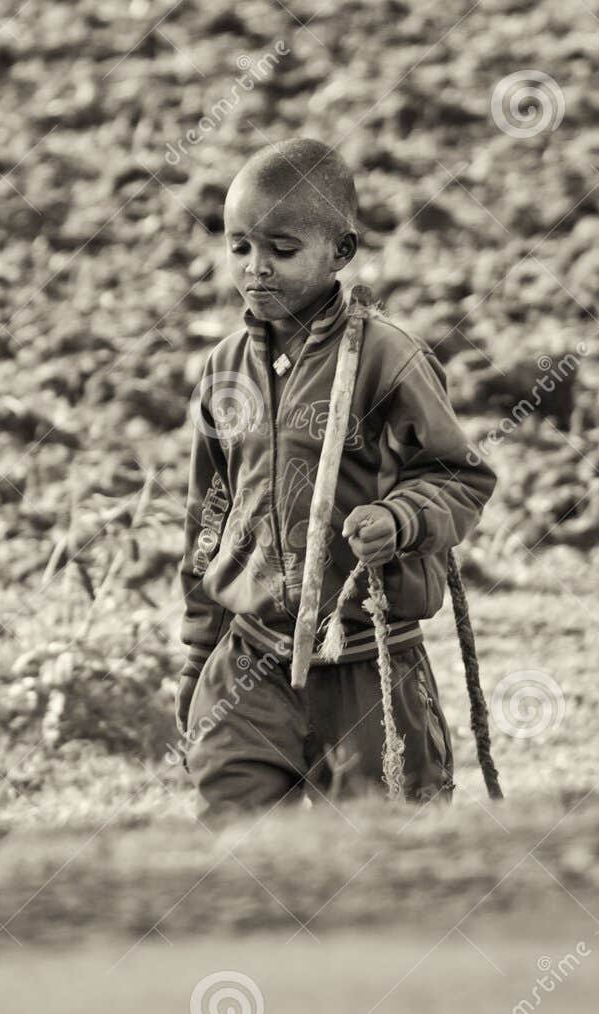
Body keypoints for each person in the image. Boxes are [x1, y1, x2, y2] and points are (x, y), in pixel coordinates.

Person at [176, 137, 497, 825]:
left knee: (381, 863)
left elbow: (458, 477)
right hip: (250, 666)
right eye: (239, 248)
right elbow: (209, 514)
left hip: (367, 664)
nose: (255, 269)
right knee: (234, 853)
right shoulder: (225, 369)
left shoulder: (389, 357)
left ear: (340, 252)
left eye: (281, 250)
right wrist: (198, 656)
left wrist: (402, 518)